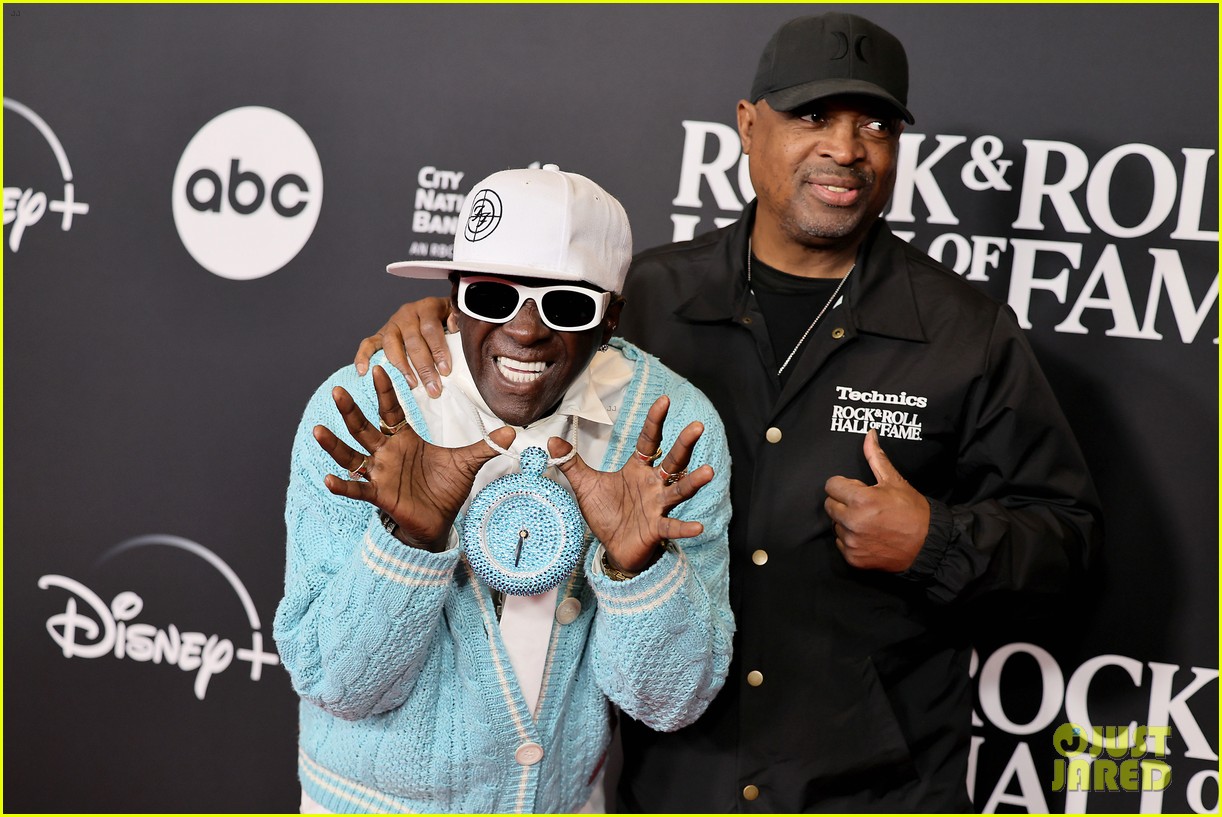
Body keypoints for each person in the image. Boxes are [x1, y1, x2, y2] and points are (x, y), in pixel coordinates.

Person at [353, 13, 1102, 812]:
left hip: (880, 789)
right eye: (813, 115)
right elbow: (522, 343)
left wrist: (935, 543)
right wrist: (445, 318)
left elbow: (1069, 538)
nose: (846, 148)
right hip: (677, 779)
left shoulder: (964, 332)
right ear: (748, 127)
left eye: (875, 124)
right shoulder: (645, 299)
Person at [274, 165, 734, 813]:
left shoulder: (670, 431)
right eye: (493, 296)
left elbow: (669, 700)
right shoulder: (362, 408)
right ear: (455, 297)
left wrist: (640, 569)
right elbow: (337, 683)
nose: (524, 330)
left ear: (611, 319)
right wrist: (409, 542)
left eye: (566, 304)